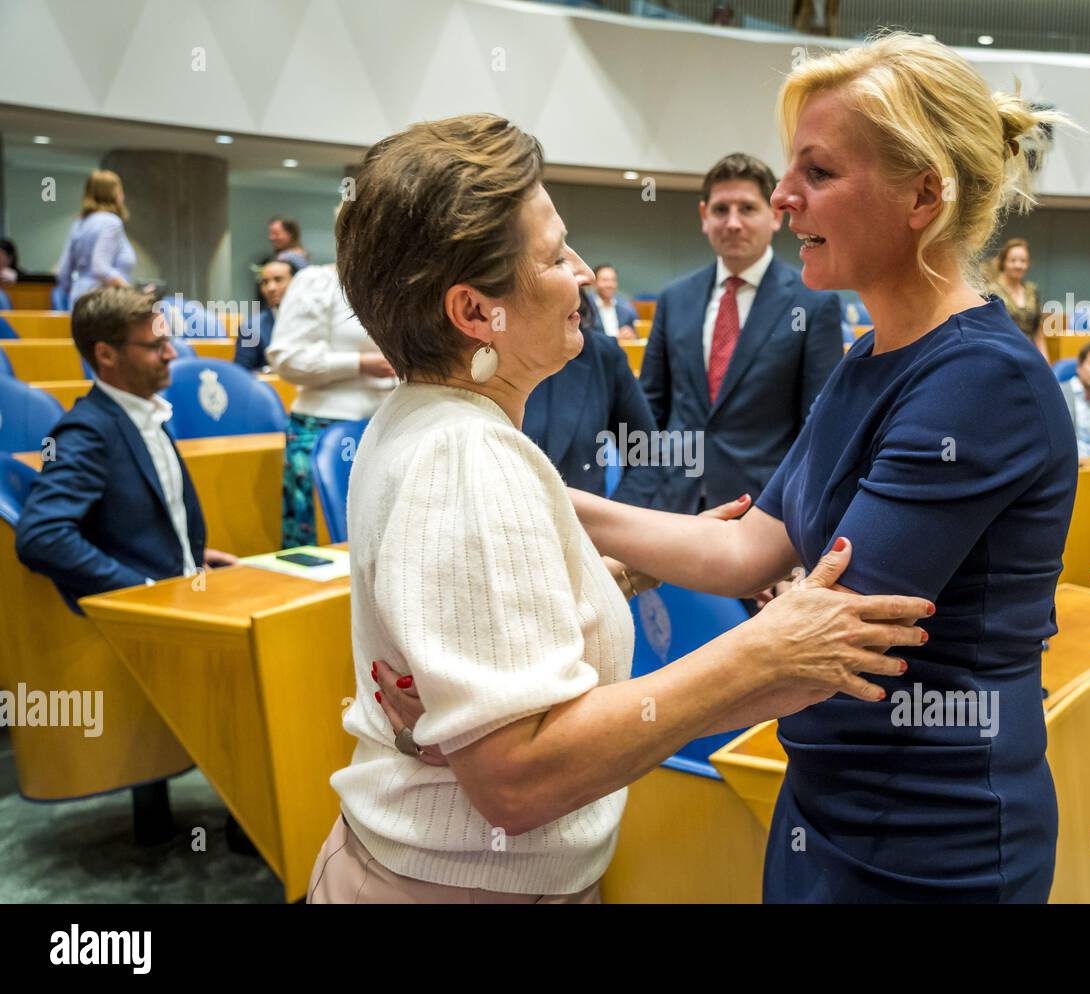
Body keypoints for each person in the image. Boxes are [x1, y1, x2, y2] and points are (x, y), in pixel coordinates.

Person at [387, 35, 1079, 903]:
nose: (784, 197)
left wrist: (510, 731)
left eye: (816, 173)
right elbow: (747, 551)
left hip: (932, 831)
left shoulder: (982, 380)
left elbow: (812, 648)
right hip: (828, 795)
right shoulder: (873, 357)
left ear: (924, 195)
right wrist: (534, 492)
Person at [306, 113, 929, 905]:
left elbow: (480, 625)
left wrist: (619, 572)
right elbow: (517, 780)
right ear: (474, 314)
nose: (581, 275)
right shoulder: (468, 460)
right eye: (553, 255)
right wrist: (762, 653)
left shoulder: (425, 421)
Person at [15, 286, 243, 846]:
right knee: (255, 664)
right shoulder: (87, 430)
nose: (172, 356)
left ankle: (249, 815)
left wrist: (189, 557)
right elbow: (41, 536)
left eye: (167, 342)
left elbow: (140, 511)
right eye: (154, 346)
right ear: (107, 355)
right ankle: (251, 824)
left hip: (179, 583)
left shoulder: (144, 412)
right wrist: (139, 587)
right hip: (141, 611)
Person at [638, 152, 843, 514]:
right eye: (720, 210)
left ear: (775, 216)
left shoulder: (812, 302)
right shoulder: (675, 299)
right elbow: (652, 408)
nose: (732, 223)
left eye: (747, 209)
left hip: (761, 509)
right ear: (704, 216)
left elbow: (818, 425)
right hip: (674, 502)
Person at [266, 263, 397, 549]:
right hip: (322, 429)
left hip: (387, 427)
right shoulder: (318, 282)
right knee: (317, 552)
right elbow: (286, 357)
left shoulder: (398, 282)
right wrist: (359, 365)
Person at [523, 315, 660, 503]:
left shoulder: (600, 352)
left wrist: (609, 522)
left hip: (583, 528)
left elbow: (647, 455)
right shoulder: (476, 354)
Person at [54, 170, 138, 309]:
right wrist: (131, 291)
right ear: (113, 194)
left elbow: (63, 272)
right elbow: (100, 268)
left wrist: (77, 289)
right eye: (120, 191)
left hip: (78, 300)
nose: (122, 195)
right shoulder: (112, 222)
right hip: (104, 304)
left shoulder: (79, 223)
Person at [986, 238, 1045, 357]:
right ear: (1003, 262)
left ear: (1028, 264)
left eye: (1023, 261)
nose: (1018, 265)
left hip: (1029, 354)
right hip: (1000, 354)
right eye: (1013, 260)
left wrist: (1045, 359)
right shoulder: (990, 291)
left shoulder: (1031, 290)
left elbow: (1038, 329)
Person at [235, 259, 295, 371]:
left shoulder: (314, 320)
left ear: (296, 282)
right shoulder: (251, 328)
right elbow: (241, 374)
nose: (270, 288)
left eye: (278, 280)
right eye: (265, 282)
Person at [588, 264, 639, 340]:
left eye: (613, 280)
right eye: (605, 280)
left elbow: (637, 335)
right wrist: (615, 339)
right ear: (594, 283)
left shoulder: (626, 307)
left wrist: (632, 335)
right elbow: (587, 337)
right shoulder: (585, 306)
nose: (610, 284)